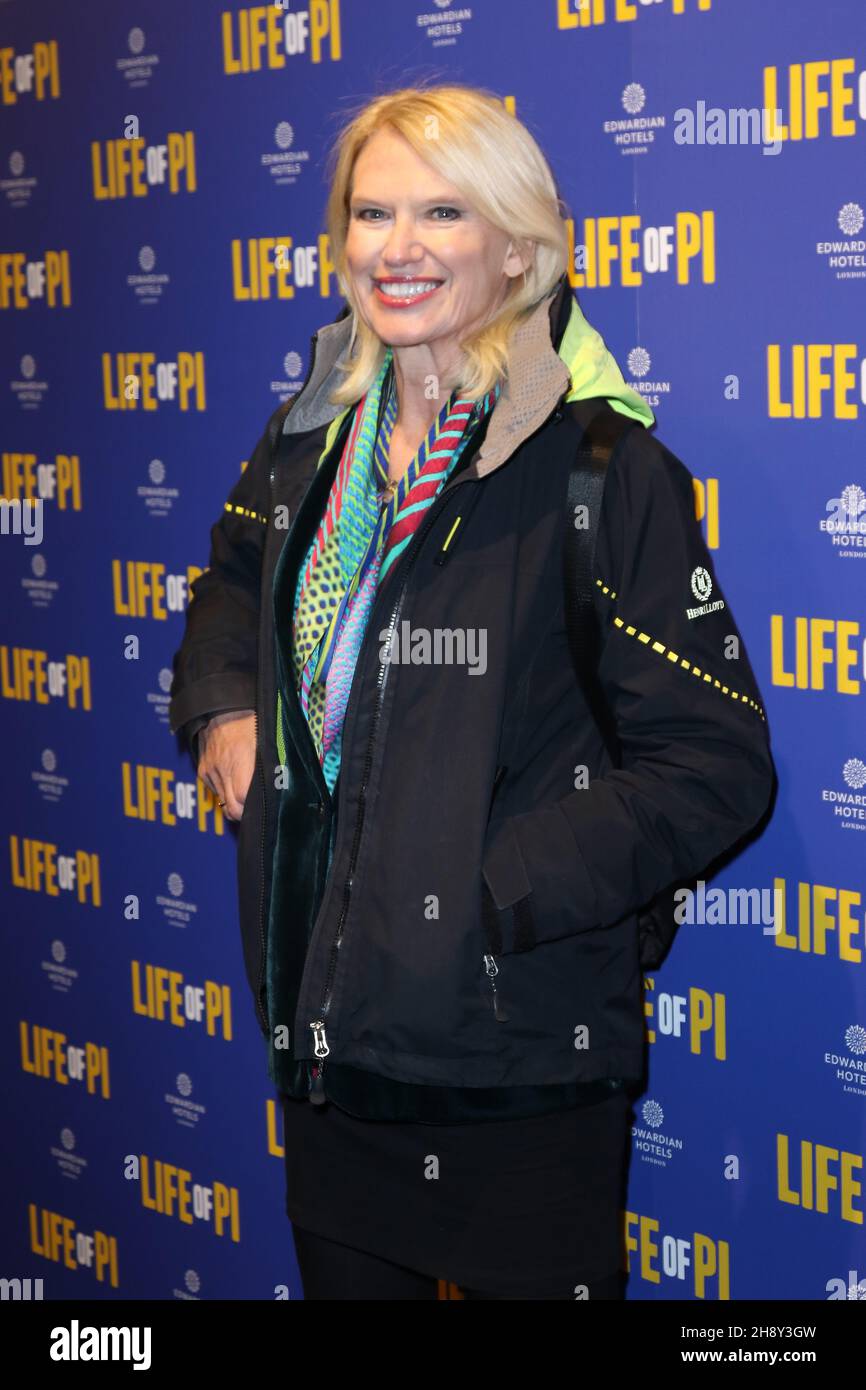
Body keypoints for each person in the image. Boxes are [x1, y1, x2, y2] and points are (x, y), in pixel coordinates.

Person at [169, 83, 776, 1300]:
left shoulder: (602, 467)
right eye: (371, 212)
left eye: (440, 213)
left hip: (514, 1066)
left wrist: (485, 889)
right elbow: (232, 579)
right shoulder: (309, 439)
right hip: (332, 1043)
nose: (396, 248)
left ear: (516, 245)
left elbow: (715, 766)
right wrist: (226, 703)